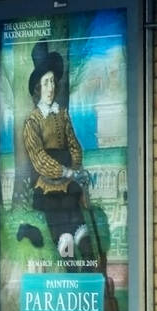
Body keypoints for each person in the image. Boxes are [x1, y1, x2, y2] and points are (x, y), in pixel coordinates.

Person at [16, 41, 94, 262]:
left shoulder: (63, 115)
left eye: (52, 82)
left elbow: (75, 146)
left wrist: (74, 166)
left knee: (82, 232)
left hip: (68, 184)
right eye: (46, 82)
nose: (50, 87)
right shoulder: (32, 122)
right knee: (64, 234)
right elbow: (39, 159)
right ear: (38, 88)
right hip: (48, 186)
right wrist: (65, 171)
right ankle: (69, 264)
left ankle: (87, 268)